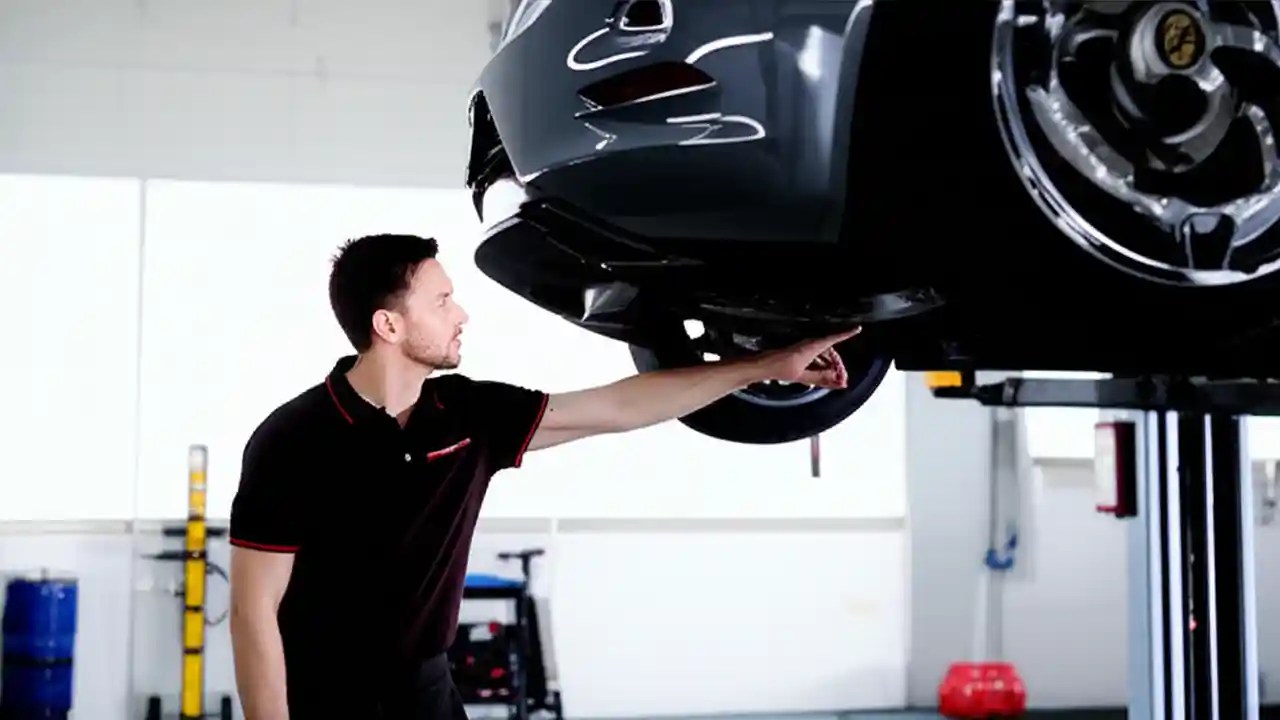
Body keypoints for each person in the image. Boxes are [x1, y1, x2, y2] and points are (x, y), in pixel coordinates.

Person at [227, 233, 859, 720]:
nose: (461, 314)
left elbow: (620, 406)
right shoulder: (293, 440)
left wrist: (765, 364)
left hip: (428, 693)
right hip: (324, 696)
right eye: (442, 301)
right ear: (388, 325)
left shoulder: (467, 414)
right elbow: (254, 612)